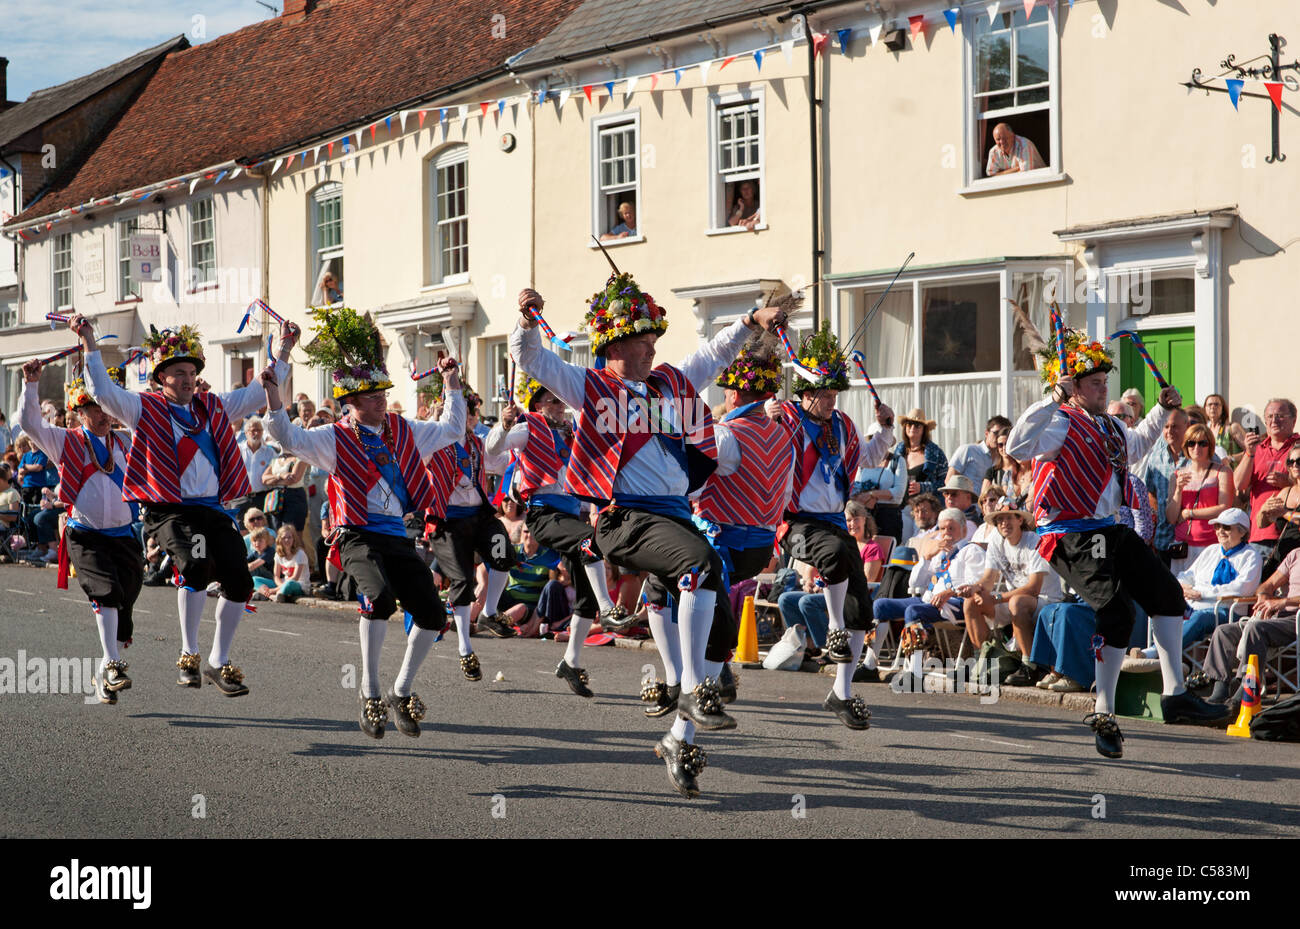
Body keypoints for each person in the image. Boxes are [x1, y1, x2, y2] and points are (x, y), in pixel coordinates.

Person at [511, 271, 787, 799]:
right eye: (642, 344)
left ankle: (679, 737)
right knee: (699, 566)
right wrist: (526, 320)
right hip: (624, 517)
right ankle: (688, 689)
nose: (651, 351)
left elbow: (714, 354)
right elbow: (534, 361)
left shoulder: (670, 384)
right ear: (613, 346)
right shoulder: (591, 386)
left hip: (675, 516)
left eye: (655, 343)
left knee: (722, 632)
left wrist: (752, 322)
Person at [1007, 326, 1226, 758]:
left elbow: (1139, 444)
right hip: (1068, 533)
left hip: (1109, 527)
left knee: (1165, 594)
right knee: (1114, 610)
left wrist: (1162, 411)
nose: (1103, 387)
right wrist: (1052, 397)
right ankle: (1104, 711)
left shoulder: (1108, 426)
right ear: (1072, 386)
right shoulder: (1057, 423)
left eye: (1105, 381)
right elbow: (1017, 445)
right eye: (1094, 382)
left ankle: (1174, 693)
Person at [265, 307, 464, 738]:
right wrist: (273, 397)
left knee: (433, 614)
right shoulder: (333, 438)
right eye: (371, 396)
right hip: (355, 534)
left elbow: (451, 429)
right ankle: (370, 692)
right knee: (378, 596)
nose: (380, 400)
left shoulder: (403, 429)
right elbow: (287, 438)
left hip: (397, 535)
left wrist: (451, 384)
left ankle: (400, 690)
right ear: (350, 403)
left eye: (382, 393)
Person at [75, 313, 297, 698]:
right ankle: (189, 654)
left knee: (241, 582)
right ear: (162, 378)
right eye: (178, 372)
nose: (187, 379)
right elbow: (105, 394)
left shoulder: (213, 406)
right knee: (194, 565)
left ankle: (216, 660)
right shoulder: (143, 408)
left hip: (211, 509)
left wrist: (284, 350)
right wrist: (90, 343)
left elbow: (260, 392)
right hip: (169, 510)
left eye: (191, 372)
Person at [640, 332, 799, 714]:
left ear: (732, 395)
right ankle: (708, 671)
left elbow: (691, 482)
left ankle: (679, 680)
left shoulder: (726, 435)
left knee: (658, 586)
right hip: (759, 548)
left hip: (721, 541)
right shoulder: (784, 438)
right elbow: (785, 492)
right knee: (695, 595)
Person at [767, 322, 896, 727]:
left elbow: (869, 458)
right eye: (823, 393)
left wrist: (887, 428)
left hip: (833, 521)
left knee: (863, 607)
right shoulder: (786, 416)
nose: (829, 400)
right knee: (837, 553)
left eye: (834, 393)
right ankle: (834, 629)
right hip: (796, 522)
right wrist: (765, 411)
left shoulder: (841, 424)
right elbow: (761, 435)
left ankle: (841, 692)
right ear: (805, 393)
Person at [487, 372, 623, 699]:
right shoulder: (528, 426)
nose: (561, 406)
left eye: (562, 400)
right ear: (538, 405)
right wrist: (504, 426)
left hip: (570, 513)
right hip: (544, 512)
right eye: (553, 401)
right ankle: (609, 608)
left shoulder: (574, 429)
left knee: (584, 597)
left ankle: (571, 663)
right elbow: (492, 450)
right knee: (589, 542)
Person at [19, 359, 142, 704]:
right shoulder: (65, 441)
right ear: (78, 412)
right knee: (105, 592)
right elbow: (29, 423)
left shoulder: (126, 442)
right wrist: (31, 386)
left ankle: (106, 668)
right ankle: (115, 664)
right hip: (85, 534)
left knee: (126, 602)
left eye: (106, 408)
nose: (104, 415)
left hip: (125, 536)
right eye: (95, 409)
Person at [424, 387, 517, 681]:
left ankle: (489, 611)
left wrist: (506, 427)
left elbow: (504, 459)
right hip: (448, 521)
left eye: (472, 411)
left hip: (479, 517)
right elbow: (416, 453)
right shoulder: (433, 443)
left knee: (503, 551)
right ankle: (465, 647)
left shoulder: (479, 444)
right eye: (461, 411)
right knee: (463, 580)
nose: (468, 417)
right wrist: (435, 419)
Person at [865, 507, 985, 687]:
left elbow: (976, 583)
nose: (946, 533)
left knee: (914, 611)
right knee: (880, 605)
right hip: (929, 600)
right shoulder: (940, 553)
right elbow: (914, 583)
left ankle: (915, 673)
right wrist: (927, 557)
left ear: (964, 530)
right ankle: (869, 665)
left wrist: (949, 592)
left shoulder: (971, 551)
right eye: (943, 529)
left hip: (956, 603)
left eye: (951, 528)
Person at [1132, 508, 1261, 663]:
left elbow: (1242, 588)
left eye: (1226, 527)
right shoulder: (1211, 550)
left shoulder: (1251, 556)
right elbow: (1186, 575)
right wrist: (1183, 587)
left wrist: (1202, 593)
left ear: (1242, 531)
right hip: (1193, 604)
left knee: (1200, 617)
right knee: (1160, 608)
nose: (1220, 531)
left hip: (1226, 610)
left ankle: (1156, 653)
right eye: (1217, 526)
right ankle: (1159, 661)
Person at [964, 499, 1063, 685]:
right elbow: (988, 579)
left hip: (1046, 600)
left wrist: (997, 598)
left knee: (1017, 602)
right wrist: (973, 588)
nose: (1004, 523)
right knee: (970, 602)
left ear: (1020, 520)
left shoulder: (1034, 541)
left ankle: (1029, 667)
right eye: (1000, 520)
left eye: (1009, 518)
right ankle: (983, 661)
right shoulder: (996, 540)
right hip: (1011, 601)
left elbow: (1034, 588)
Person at [1202, 544, 1300, 713]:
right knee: (1223, 632)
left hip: (1296, 620)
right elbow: (1266, 585)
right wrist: (1263, 598)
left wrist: (1283, 602)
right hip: (1278, 619)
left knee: (1256, 628)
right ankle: (1219, 689)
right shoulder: (1296, 554)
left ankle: (1245, 689)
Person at [1164, 423, 1235, 575]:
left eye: (1202, 443)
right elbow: (1171, 517)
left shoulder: (1222, 472)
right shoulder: (1177, 475)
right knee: (1181, 593)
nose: (1197, 448)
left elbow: (1224, 508)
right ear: (1186, 446)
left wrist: (1190, 513)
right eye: (1192, 443)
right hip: (1183, 546)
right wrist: (1178, 490)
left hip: (1212, 544)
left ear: (1210, 446)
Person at [1234, 398, 1297, 555]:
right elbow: (1238, 484)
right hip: (1260, 534)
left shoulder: (1298, 448)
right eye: (1269, 416)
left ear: (1293, 420)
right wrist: (1249, 453)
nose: (1274, 420)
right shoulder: (1257, 449)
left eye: (1280, 415)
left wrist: (1288, 482)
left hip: (1293, 533)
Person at [1140, 407, 1190, 567]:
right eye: (1166, 426)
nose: (1170, 431)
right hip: (1163, 540)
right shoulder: (1155, 457)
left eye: (1175, 426)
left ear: (1187, 426)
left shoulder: (1199, 454)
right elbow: (1151, 494)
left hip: (1192, 540)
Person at [895, 408, 947, 543]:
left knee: (922, 546)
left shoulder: (935, 453)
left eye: (917, 425)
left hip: (926, 511)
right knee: (904, 546)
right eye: (909, 424)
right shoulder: (898, 452)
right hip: (902, 508)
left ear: (924, 429)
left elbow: (944, 484)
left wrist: (923, 487)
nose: (913, 428)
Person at [1255, 448, 1300, 577]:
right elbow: (1261, 524)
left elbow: (1283, 513)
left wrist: (1284, 513)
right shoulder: (1285, 493)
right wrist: (1264, 511)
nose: (1295, 465)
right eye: (1291, 462)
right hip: (1281, 559)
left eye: (1299, 461)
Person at [852, 443, 905, 541]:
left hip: (888, 517)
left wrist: (872, 495)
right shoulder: (863, 462)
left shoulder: (897, 461)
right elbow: (856, 488)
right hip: (866, 515)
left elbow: (899, 492)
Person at [947, 416, 1011, 487]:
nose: (999, 437)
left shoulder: (1004, 459)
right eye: (996, 433)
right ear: (987, 433)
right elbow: (949, 480)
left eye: (1003, 434)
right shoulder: (968, 450)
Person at [261, 445, 310, 533]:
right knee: (278, 532)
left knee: (294, 533)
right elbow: (264, 479)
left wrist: (273, 481)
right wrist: (281, 476)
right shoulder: (276, 459)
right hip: (276, 498)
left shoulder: (300, 458)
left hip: (294, 496)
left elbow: (293, 479)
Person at [237, 417, 276, 521]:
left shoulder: (270, 453)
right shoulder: (237, 450)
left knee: (263, 532)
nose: (256, 433)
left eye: (259, 430)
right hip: (241, 499)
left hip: (263, 498)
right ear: (246, 433)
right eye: (253, 430)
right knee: (241, 533)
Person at [270, 524, 309, 603]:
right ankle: (275, 594)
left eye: (289, 537)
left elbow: (295, 578)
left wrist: (275, 589)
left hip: (299, 585)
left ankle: (272, 595)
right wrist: (280, 585)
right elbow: (276, 576)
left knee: (289, 584)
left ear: (294, 539)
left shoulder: (300, 553)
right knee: (256, 579)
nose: (287, 540)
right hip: (284, 583)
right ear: (280, 539)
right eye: (284, 538)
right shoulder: (278, 554)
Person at [1203, 393, 1245, 463]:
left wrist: (1231, 459)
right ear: (1205, 408)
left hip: (1232, 471)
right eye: (1210, 404)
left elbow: (1252, 451)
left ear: (1222, 408)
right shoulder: (1204, 429)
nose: (1213, 407)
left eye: (1216, 404)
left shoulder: (1232, 428)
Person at [246, 527, 276, 595]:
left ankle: (265, 593)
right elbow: (242, 563)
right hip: (262, 581)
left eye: (260, 541)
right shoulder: (255, 553)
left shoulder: (270, 551)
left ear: (266, 541)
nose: (257, 543)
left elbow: (252, 566)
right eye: (254, 541)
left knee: (254, 578)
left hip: (272, 582)